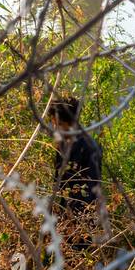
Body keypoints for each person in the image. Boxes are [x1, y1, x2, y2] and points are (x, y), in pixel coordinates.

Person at [47, 96, 104, 234]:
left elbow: (92, 190)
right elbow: (58, 182)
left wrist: (73, 220)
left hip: (82, 221)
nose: (55, 128)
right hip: (62, 216)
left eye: (58, 124)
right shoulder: (62, 143)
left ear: (71, 122)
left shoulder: (90, 147)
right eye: (53, 123)